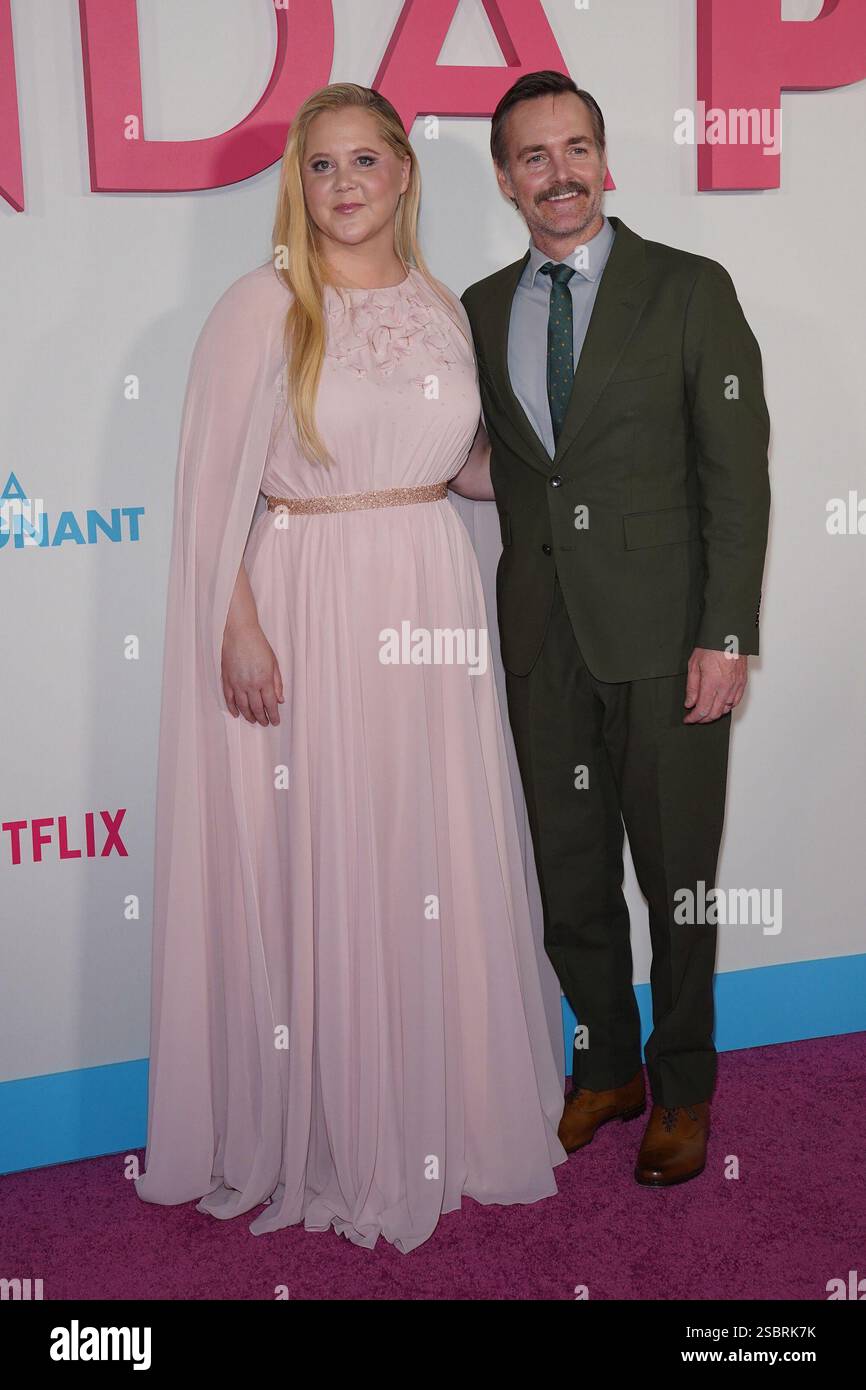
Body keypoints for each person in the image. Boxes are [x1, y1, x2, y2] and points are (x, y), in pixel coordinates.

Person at [134, 82, 567, 1253]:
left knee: (427, 841)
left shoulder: (439, 305)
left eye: (364, 161)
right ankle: (330, 1131)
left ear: (403, 173)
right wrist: (234, 621)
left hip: (427, 590)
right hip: (310, 597)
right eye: (320, 167)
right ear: (299, 181)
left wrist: (590, 465)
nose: (343, 186)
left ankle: (442, 1114)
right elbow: (207, 491)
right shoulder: (262, 304)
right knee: (326, 843)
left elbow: (467, 465)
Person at [460, 71, 771, 1186]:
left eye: (575, 148)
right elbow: (492, 462)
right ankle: (605, 1066)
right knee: (569, 873)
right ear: (504, 178)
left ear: (604, 159)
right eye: (533, 157)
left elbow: (736, 481)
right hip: (543, 637)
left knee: (679, 877)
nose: (559, 173)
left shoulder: (688, 288)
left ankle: (682, 1085)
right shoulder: (483, 308)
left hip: (667, 638)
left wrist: (724, 635)